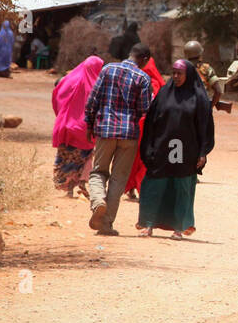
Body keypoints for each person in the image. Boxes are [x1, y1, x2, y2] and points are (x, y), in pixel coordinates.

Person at [137, 59, 215, 240]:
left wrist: (203, 152)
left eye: (180, 73)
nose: (176, 77)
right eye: (174, 73)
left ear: (188, 75)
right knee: (155, 185)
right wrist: (149, 147)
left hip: (186, 151)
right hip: (162, 148)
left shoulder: (198, 98)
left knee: (181, 188)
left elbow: (205, 127)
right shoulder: (164, 93)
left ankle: (179, 228)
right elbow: (151, 122)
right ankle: (148, 225)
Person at [83, 42, 153, 235]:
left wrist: (89, 124)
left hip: (105, 131)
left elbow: (92, 100)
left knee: (98, 172)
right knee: (118, 179)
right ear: (144, 59)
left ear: (130, 54)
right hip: (129, 134)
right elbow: (145, 109)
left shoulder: (108, 69)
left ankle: (98, 202)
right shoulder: (143, 78)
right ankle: (106, 225)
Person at [51, 55, 104, 197]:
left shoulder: (69, 80)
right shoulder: (98, 86)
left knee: (67, 156)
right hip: (86, 131)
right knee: (85, 158)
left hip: (67, 127)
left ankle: (68, 188)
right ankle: (81, 183)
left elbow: (57, 96)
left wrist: (62, 117)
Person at [123, 54, 165, 201]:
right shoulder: (156, 82)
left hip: (137, 123)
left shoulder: (136, 78)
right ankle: (142, 189)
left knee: (135, 158)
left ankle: (133, 188)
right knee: (144, 159)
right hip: (149, 125)